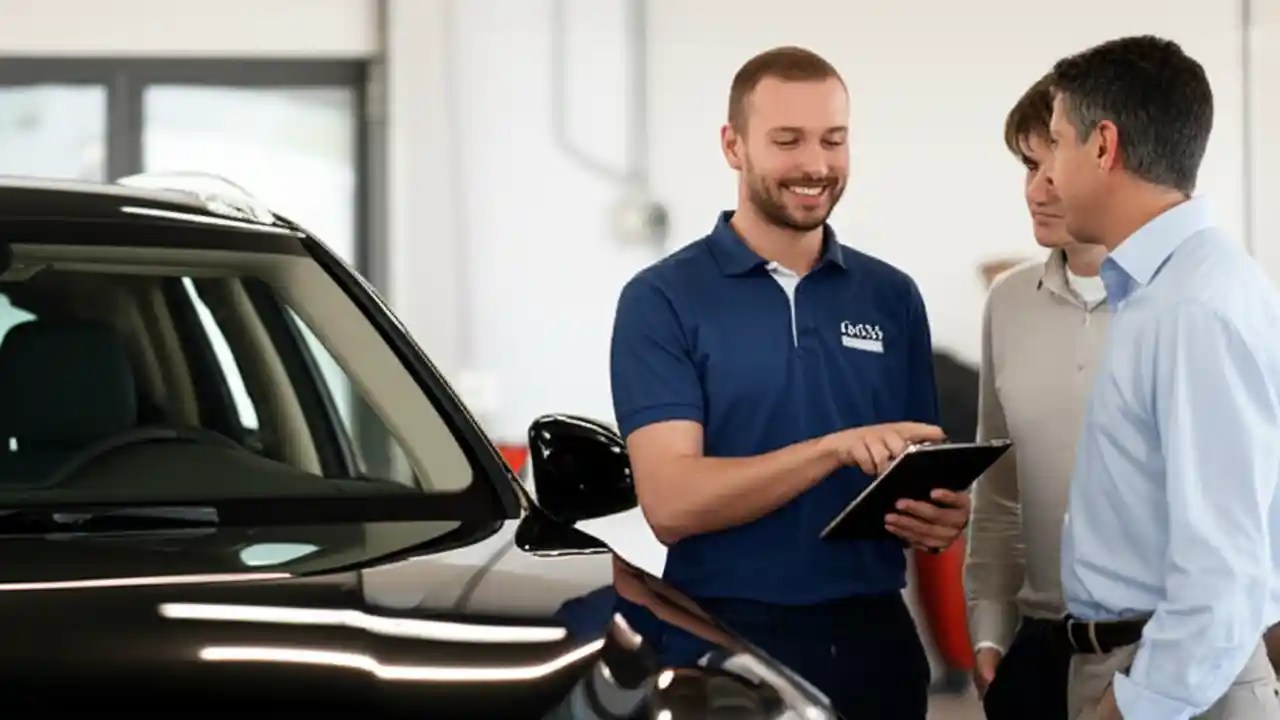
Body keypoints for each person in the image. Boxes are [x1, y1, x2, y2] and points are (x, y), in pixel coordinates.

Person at [608, 45, 970, 718]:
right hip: (720, 644)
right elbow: (672, 504)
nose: (815, 164)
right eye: (787, 141)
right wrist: (832, 449)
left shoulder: (892, 298)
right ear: (733, 145)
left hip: (876, 646)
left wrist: (941, 517)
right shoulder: (663, 300)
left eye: (834, 140)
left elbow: (915, 469)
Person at [1046, 35, 1280, 720]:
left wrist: (1136, 705)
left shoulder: (1191, 306)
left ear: (1102, 146)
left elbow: (1223, 567)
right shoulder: (1181, 288)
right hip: (1162, 672)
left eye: (1057, 143)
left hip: (1169, 684)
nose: (1049, 174)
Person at [962, 72, 1110, 720]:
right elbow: (997, 493)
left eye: (1052, 166)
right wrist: (989, 628)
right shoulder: (1009, 302)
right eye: (1028, 164)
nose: (1035, 189)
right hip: (1039, 655)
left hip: (1162, 657)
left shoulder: (1192, 303)